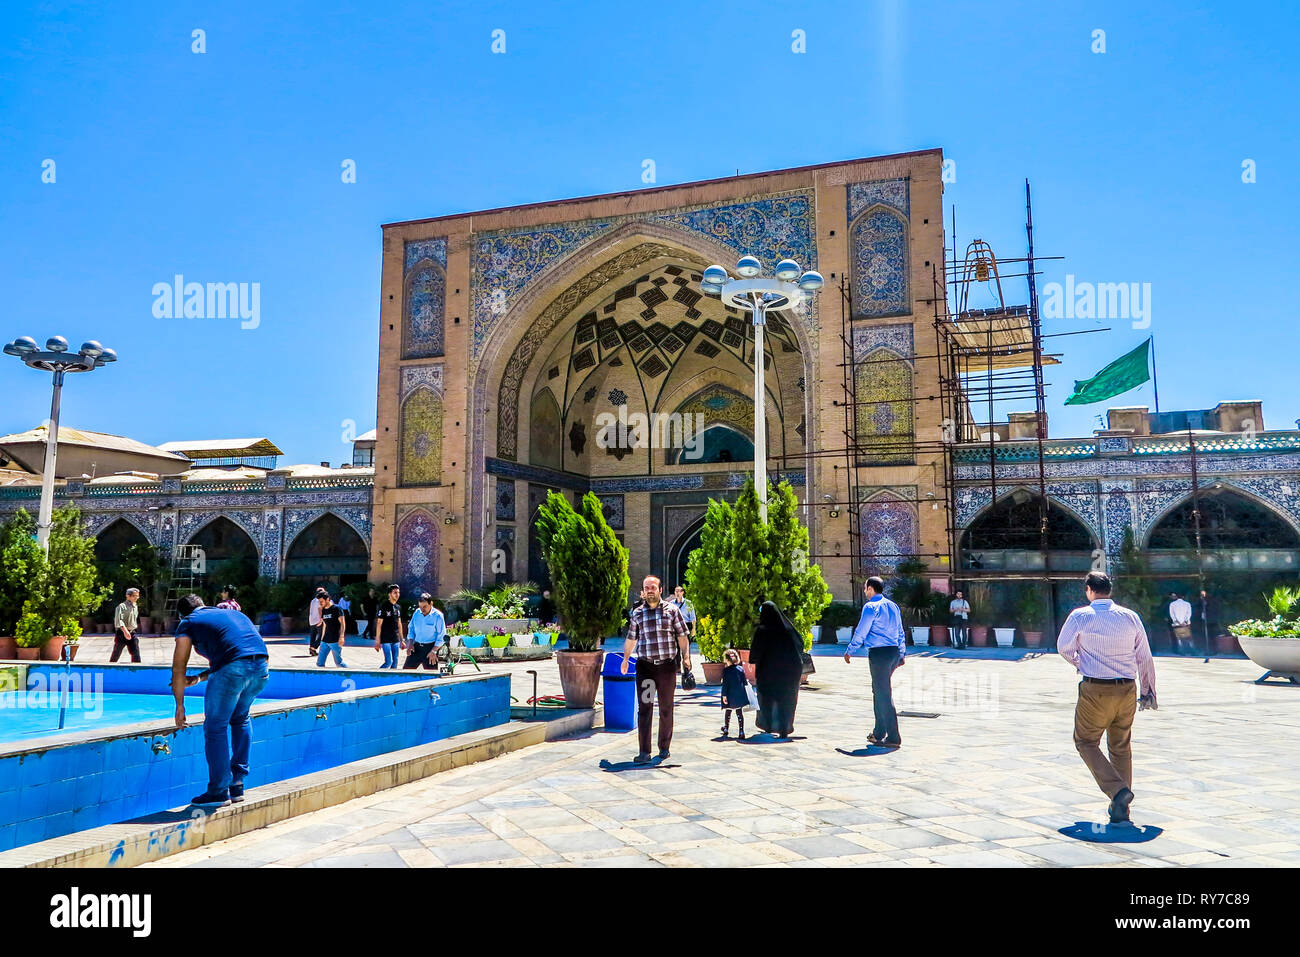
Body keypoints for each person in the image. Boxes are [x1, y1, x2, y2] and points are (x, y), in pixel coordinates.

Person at [1056, 571, 1158, 825]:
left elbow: (1063, 647)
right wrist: (1148, 690)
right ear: (1109, 590)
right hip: (1127, 689)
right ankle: (1120, 809)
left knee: (1086, 741)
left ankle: (1117, 791)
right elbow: (1144, 656)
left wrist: (1080, 663)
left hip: (1096, 689)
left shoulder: (1081, 616)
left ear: (1089, 590)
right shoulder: (1129, 616)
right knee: (1120, 745)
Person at [170, 594, 270, 808]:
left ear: (181, 615)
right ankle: (237, 784)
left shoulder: (188, 622)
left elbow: (179, 666)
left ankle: (217, 791)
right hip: (261, 667)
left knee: (215, 728)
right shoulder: (234, 614)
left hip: (235, 669)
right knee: (241, 719)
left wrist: (179, 706)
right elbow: (234, 657)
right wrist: (199, 679)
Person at [620, 575, 690, 764]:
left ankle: (664, 748)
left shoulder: (672, 611)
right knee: (645, 708)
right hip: (646, 670)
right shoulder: (638, 613)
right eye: (646, 587)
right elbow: (631, 638)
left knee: (666, 709)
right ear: (643, 591)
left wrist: (686, 658)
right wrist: (626, 659)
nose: (650, 590)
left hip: (666, 669)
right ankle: (644, 752)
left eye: (653, 587)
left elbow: (682, 636)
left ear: (660, 590)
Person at [843, 576, 907, 748]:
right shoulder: (893, 606)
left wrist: (850, 650)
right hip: (893, 651)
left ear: (870, 588)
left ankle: (893, 737)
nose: (865, 592)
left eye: (865, 589)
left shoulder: (871, 607)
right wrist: (901, 653)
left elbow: (862, 631)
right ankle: (879, 732)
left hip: (879, 654)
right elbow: (900, 631)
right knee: (878, 691)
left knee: (883, 693)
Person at [750, 600, 804, 738]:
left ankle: (767, 726)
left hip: (768, 674)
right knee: (786, 700)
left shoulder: (762, 630)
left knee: (766, 699)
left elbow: (754, 655)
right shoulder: (789, 629)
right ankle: (784, 729)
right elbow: (800, 644)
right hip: (790, 673)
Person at [404, 593, 446, 669]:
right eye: (420, 607)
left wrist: (434, 651)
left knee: (432, 677)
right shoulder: (417, 613)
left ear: (431, 604)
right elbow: (411, 628)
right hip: (416, 648)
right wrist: (410, 643)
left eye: (424, 607)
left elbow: (441, 636)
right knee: (405, 673)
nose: (422, 609)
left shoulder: (438, 616)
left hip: (430, 649)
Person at [718, 648, 749, 740]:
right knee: (739, 713)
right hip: (739, 694)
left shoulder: (726, 671)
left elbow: (725, 684)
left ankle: (726, 728)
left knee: (728, 711)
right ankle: (741, 731)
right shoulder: (740, 669)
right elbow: (744, 682)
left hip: (729, 695)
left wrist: (724, 695)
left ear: (727, 660)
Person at [373, 584, 404, 669]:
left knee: (395, 662)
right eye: (395, 592)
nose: (397, 594)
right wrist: (377, 640)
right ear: (389, 594)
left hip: (395, 639)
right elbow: (379, 624)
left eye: (398, 592)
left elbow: (399, 624)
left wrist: (402, 639)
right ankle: (377, 676)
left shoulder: (398, 607)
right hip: (386, 638)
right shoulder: (384, 606)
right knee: (388, 662)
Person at [315, 591, 347, 668]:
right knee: (319, 663)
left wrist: (342, 637)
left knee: (339, 663)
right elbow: (325, 624)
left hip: (335, 640)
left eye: (321, 601)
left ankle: (349, 674)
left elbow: (342, 623)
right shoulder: (323, 610)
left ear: (327, 599)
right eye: (319, 602)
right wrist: (322, 638)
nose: (320, 603)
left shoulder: (337, 609)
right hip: (325, 640)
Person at [111, 587, 142, 663]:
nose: (136, 598)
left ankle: (136, 669)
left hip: (132, 632)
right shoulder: (121, 606)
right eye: (134, 596)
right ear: (128, 596)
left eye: (137, 596)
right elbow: (119, 620)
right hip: (122, 633)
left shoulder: (135, 606)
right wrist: (125, 631)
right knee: (116, 653)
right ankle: (111, 667)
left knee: (136, 653)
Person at [307, 587, 327, 655]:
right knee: (322, 635)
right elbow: (320, 609)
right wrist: (321, 619)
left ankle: (312, 650)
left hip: (312, 620)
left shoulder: (313, 600)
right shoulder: (319, 600)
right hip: (318, 620)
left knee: (313, 635)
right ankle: (314, 648)